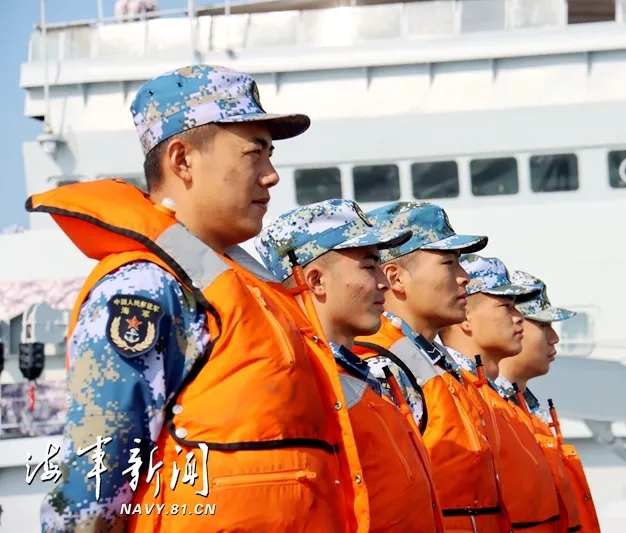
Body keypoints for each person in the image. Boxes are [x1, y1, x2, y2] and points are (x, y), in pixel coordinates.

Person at [28, 64, 368, 533]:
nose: (271, 177)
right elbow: (94, 482)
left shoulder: (258, 293)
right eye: (255, 154)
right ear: (183, 160)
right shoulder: (145, 290)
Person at [256, 198, 446, 533]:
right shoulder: (295, 384)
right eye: (368, 266)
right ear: (315, 281)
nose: (383, 282)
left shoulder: (359, 375)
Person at [352, 201, 513, 533]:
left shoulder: (432, 361)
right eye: (448, 263)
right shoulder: (379, 367)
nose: (464, 276)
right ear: (396, 278)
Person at [438, 254, 575, 533]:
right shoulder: (447, 390)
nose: (519, 319)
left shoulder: (497, 401)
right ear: (466, 317)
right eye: (506, 306)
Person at [498, 270, 603, 533]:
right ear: (514, 323)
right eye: (543, 325)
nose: (554, 337)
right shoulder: (489, 410)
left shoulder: (524, 409)